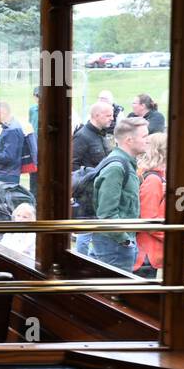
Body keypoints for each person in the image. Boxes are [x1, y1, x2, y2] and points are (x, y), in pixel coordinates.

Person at [92, 116, 149, 273]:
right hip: (114, 245)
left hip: (118, 242)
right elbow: (106, 214)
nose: (148, 140)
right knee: (113, 295)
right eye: (144, 136)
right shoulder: (116, 168)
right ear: (129, 140)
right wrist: (125, 240)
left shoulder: (126, 164)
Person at [71, 101, 116, 255]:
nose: (112, 118)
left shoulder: (103, 134)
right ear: (96, 115)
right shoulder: (82, 136)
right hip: (87, 196)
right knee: (86, 233)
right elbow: (72, 165)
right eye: (108, 115)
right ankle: (80, 261)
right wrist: (83, 184)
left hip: (103, 192)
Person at [134, 132, 167, 278]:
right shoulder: (153, 180)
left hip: (148, 252)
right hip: (146, 254)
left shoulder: (155, 176)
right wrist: (173, 235)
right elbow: (148, 220)